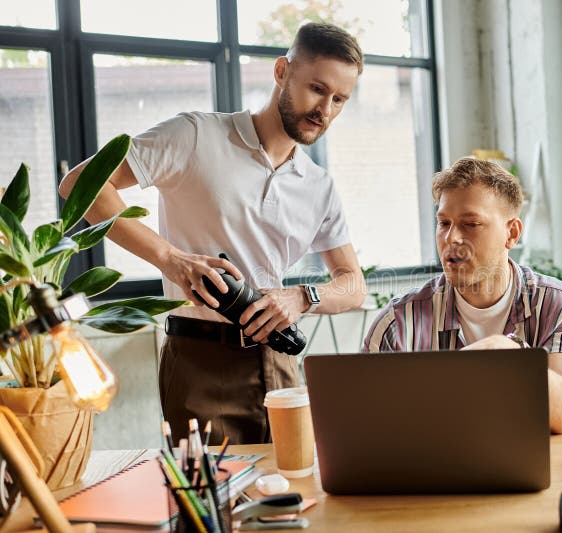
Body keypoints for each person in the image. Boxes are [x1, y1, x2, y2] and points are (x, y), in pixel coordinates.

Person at [59, 23, 366, 444]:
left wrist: (303, 297)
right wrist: (170, 258)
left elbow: (354, 286)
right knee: (206, 503)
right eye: (317, 89)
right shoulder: (195, 135)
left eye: (339, 100)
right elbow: (80, 185)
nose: (325, 110)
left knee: (288, 498)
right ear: (282, 72)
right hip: (198, 358)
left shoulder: (319, 186)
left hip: (279, 359)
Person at [363, 157, 562, 434]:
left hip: (529, 468)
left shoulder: (559, 305)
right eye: (444, 223)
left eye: (470, 224)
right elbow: (365, 423)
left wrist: (510, 354)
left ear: (512, 233)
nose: (451, 238)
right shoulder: (398, 322)